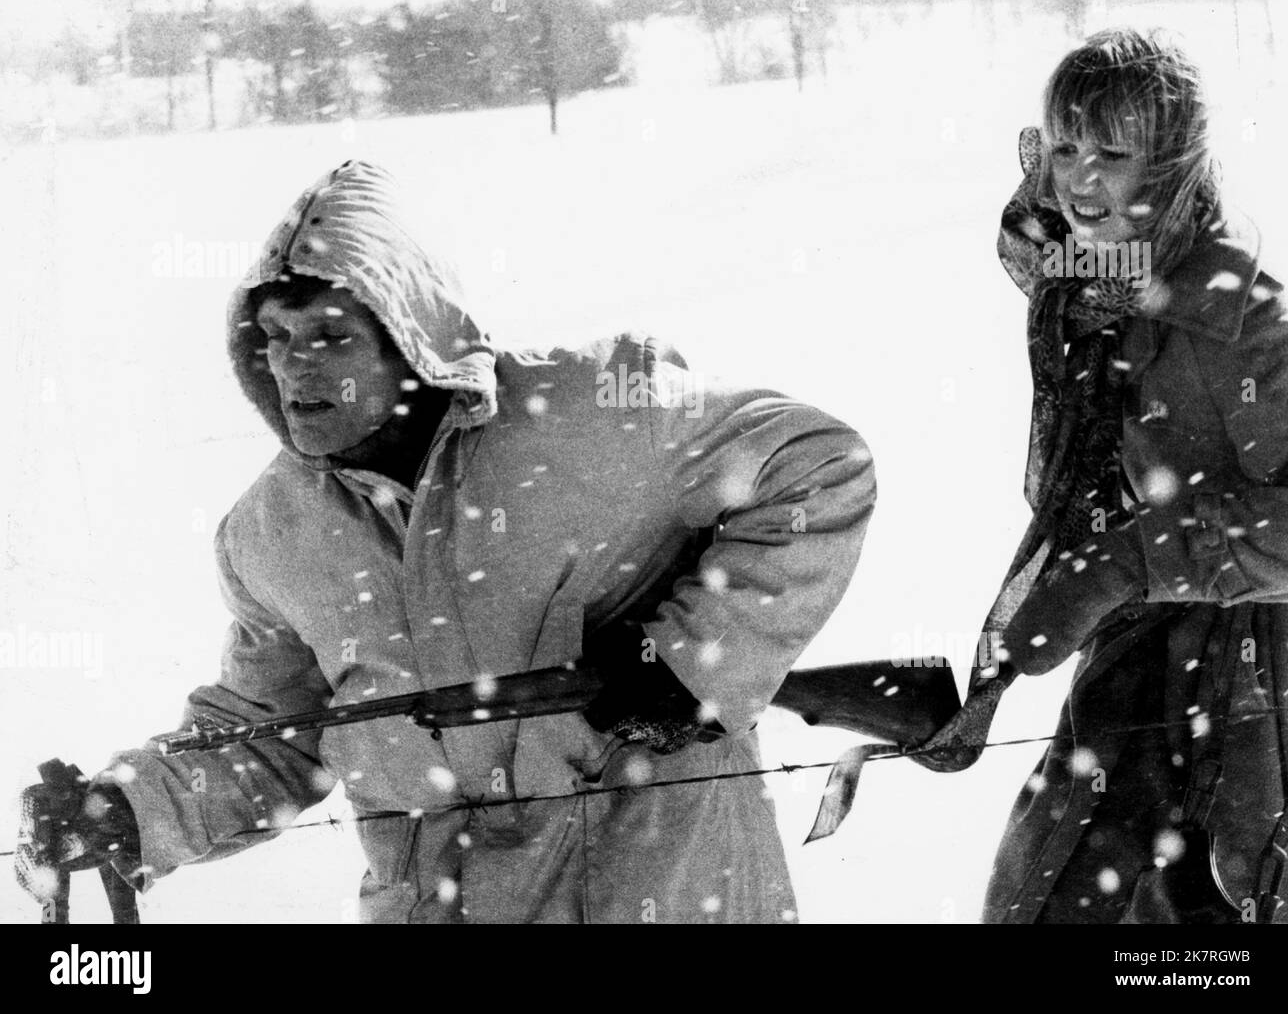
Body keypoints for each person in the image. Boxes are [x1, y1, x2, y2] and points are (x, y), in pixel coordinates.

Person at [15, 159, 876, 924]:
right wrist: (127, 810)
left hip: (666, 894)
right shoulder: (272, 532)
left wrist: (691, 664)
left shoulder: (596, 412)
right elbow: (272, 733)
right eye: (276, 337)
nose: (295, 368)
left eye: (330, 336)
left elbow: (818, 463)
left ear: (411, 338)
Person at [915, 27, 1288, 923]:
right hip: (1133, 665)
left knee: (1201, 937)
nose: (1081, 179)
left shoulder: (1244, 323)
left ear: (1169, 171)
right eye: (1064, 148)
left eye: (1114, 154)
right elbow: (1038, 246)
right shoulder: (1101, 291)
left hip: (1241, 694)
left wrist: (1133, 559)